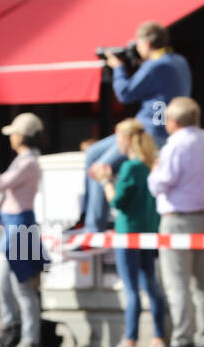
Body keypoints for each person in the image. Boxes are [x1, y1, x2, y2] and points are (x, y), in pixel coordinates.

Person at [82, 21, 192, 232]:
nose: (136, 47)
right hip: (160, 130)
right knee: (93, 153)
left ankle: (93, 227)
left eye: (138, 43)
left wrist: (119, 68)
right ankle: (88, 216)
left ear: (148, 42)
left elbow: (125, 93)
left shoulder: (155, 65)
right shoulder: (179, 61)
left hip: (147, 132)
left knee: (98, 168)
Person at [93, 119, 167, 347]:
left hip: (128, 234)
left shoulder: (130, 167)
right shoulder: (148, 166)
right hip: (148, 231)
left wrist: (105, 181)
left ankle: (130, 341)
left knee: (132, 288)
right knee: (151, 285)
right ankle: (157, 339)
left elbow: (117, 202)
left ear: (125, 139)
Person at [147, 96, 204, 347]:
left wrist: (153, 171)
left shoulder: (174, 145)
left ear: (173, 122)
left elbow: (160, 183)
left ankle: (182, 340)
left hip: (177, 219)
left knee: (177, 283)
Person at [0, 112, 46, 347]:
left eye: (15, 134)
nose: (11, 138)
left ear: (23, 136)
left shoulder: (28, 162)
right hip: (12, 226)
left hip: (19, 226)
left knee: (22, 287)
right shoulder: (22, 161)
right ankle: (11, 331)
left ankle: (30, 338)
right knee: (3, 286)